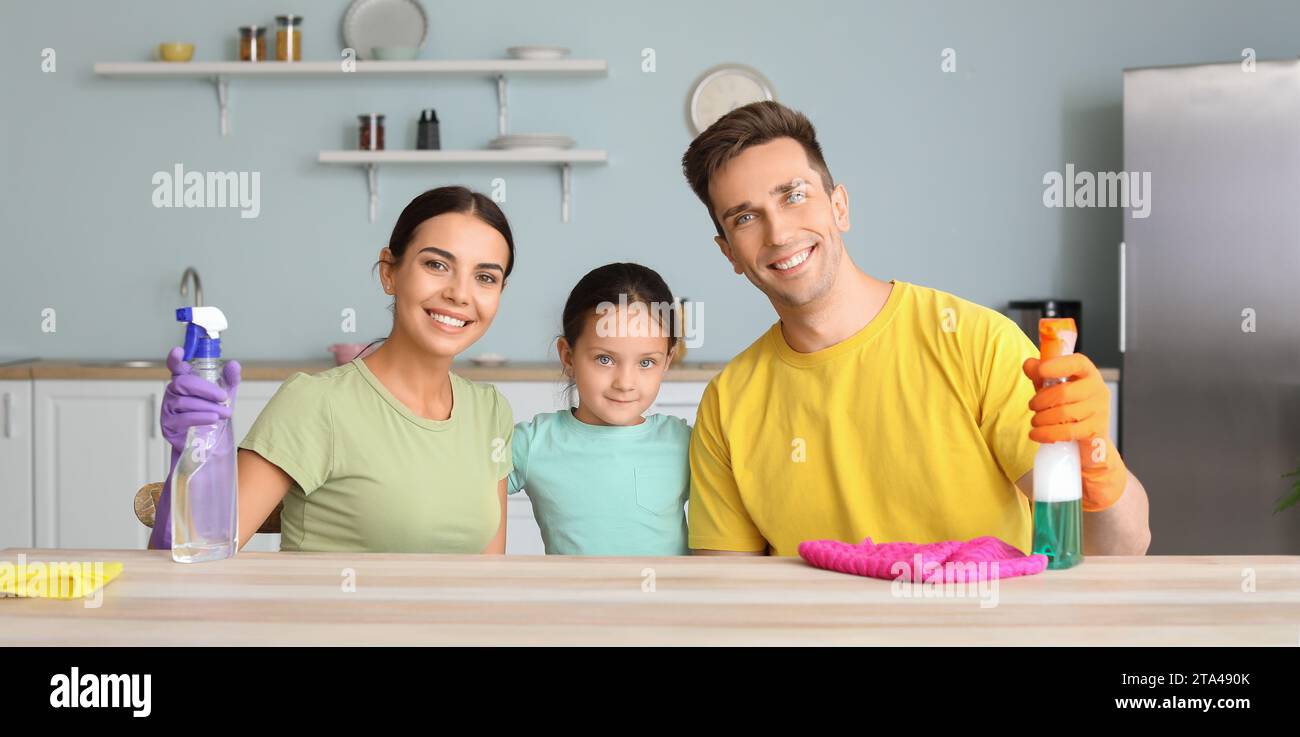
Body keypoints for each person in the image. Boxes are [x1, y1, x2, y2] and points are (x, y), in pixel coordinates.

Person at [680, 101, 1150, 556]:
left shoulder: (979, 344)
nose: (778, 233)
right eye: (745, 217)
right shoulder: (728, 405)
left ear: (839, 206)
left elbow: (1121, 548)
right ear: (729, 254)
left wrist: (1095, 455)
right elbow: (730, 596)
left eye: (794, 195)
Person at [149, 186, 517, 553]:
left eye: (485, 277)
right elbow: (191, 565)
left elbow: (489, 576)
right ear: (390, 272)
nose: (460, 294)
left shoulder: (489, 411)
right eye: (437, 265)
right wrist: (193, 457)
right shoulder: (316, 403)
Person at [507, 263, 691, 555]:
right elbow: (459, 491)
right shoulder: (532, 444)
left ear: (667, 361)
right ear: (568, 356)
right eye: (605, 359)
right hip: (573, 601)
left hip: (666, 601)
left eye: (646, 362)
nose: (625, 383)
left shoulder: (686, 443)